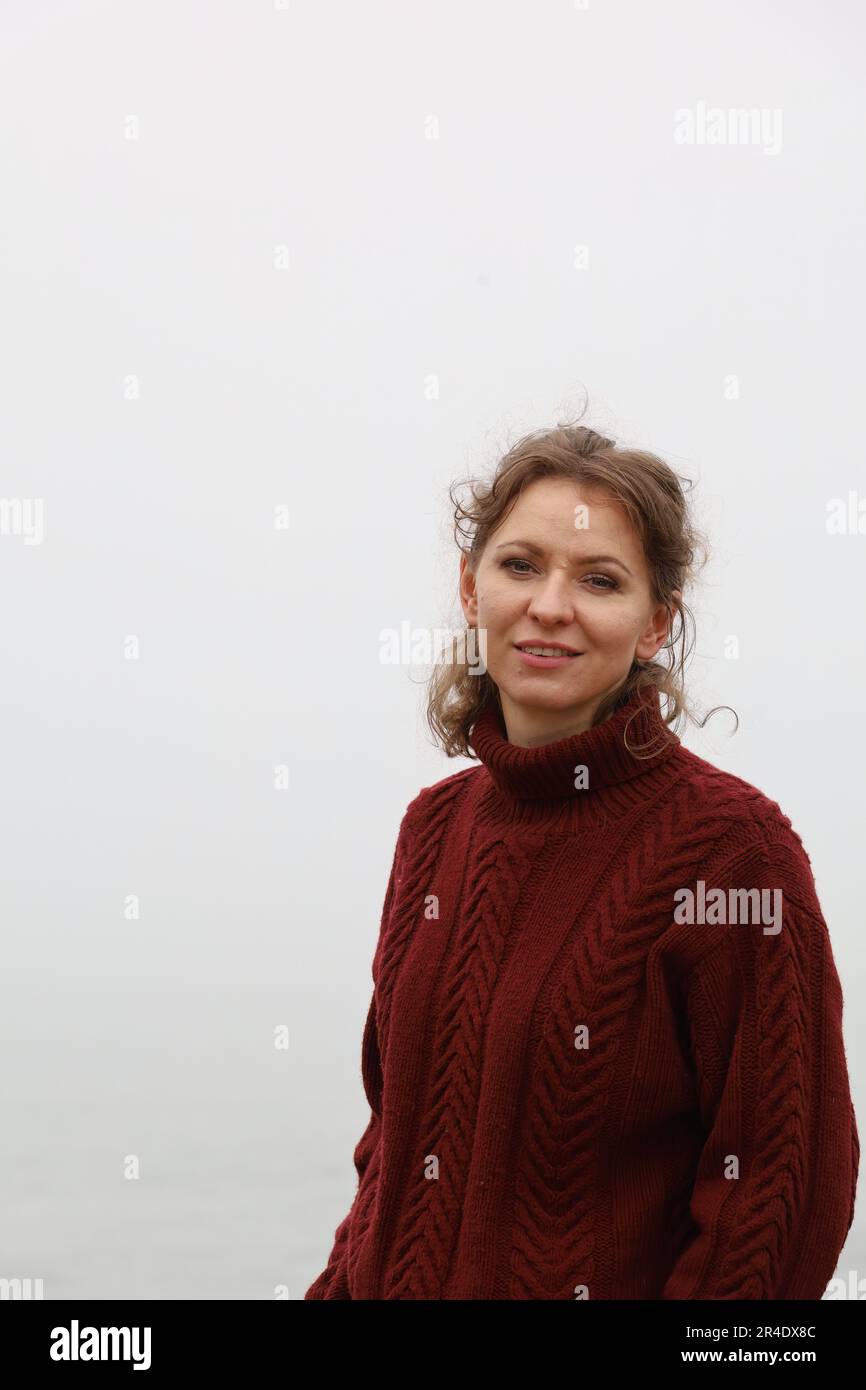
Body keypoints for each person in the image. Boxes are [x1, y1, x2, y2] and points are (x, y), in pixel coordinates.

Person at [304, 421, 859, 1300]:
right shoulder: (433, 831)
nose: (551, 605)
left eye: (599, 580)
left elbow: (783, 1198)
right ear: (470, 586)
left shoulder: (733, 856)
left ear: (655, 623)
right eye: (520, 565)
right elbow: (393, 1153)